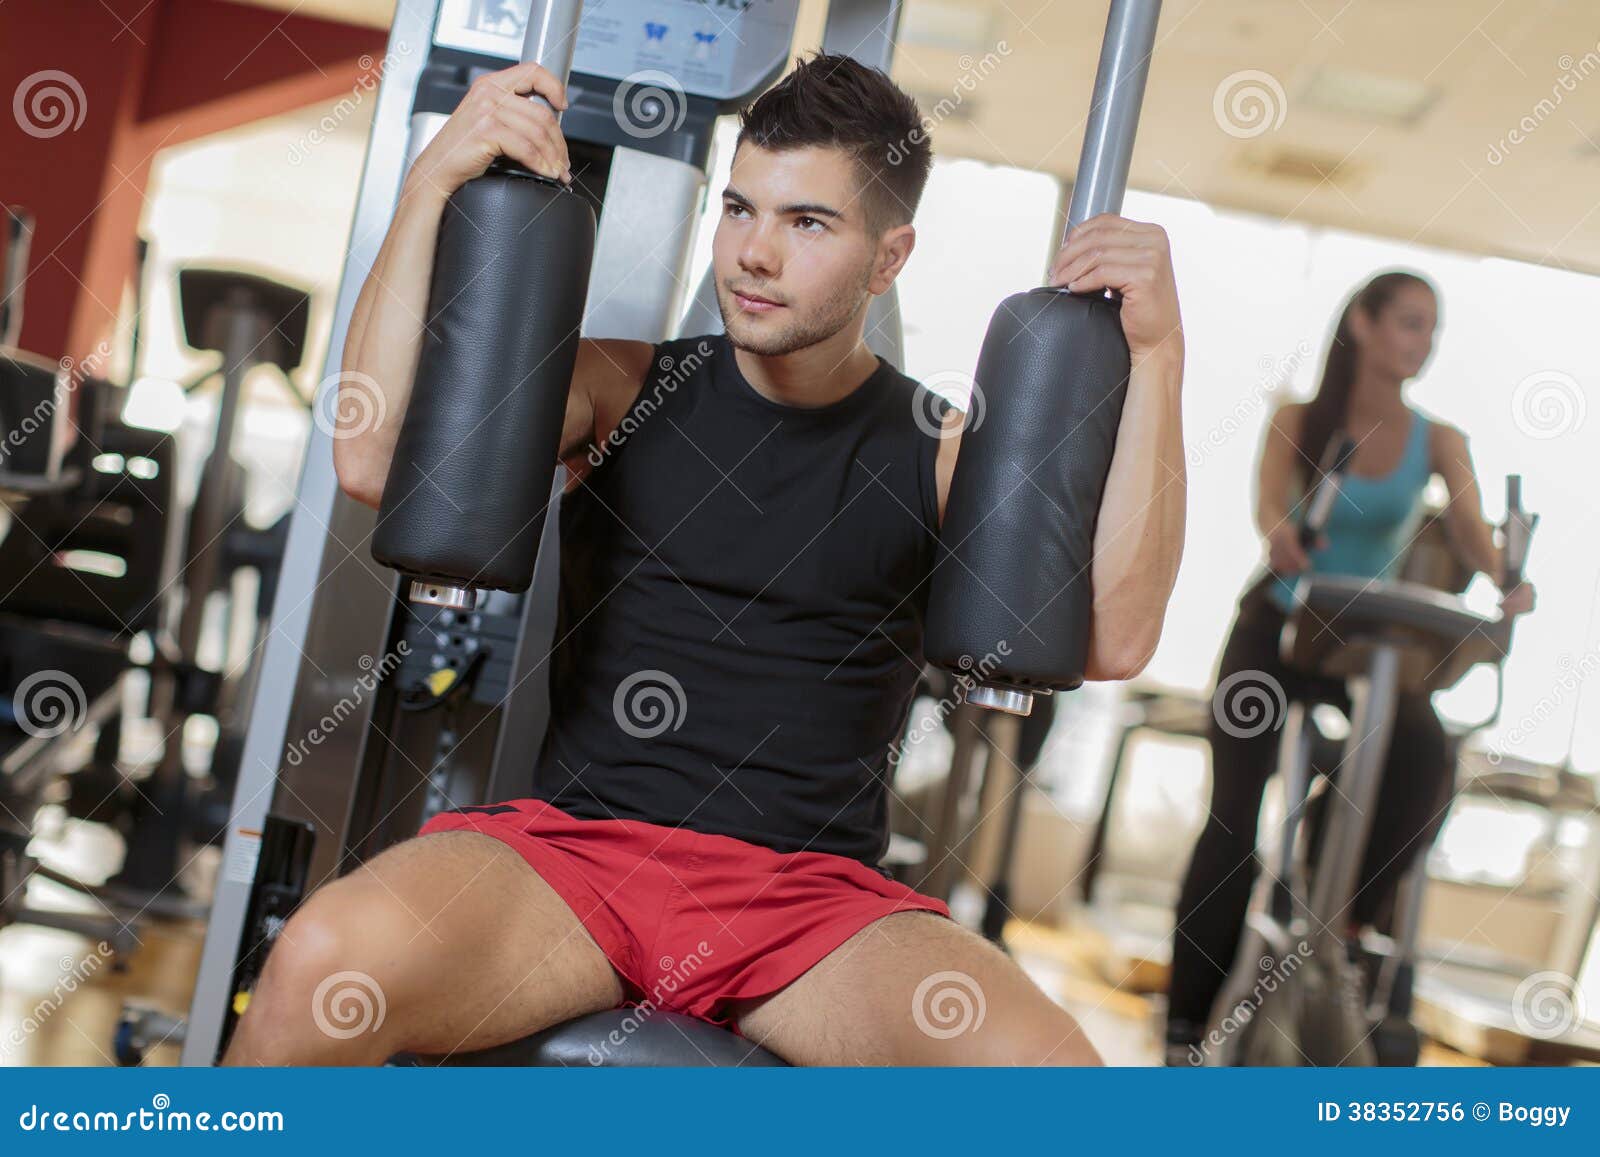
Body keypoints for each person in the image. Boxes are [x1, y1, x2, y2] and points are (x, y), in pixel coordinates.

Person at [226, 53, 1186, 1067]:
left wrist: (1158, 355)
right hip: (575, 866)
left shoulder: (944, 451)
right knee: (319, 959)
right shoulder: (617, 385)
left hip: (813, 914)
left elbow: (1115, 637)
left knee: (1054, 1081)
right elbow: (375, 455)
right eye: (739, 209)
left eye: (805, 222)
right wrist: (432, 181)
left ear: (888, 257)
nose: (752, 254)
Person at [1164, 271, 1535, 1065]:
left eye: (1430, 330)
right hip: (1278, 628)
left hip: (1360, 644)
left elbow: (1474, 537)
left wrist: (1508, 575)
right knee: (1234, 818)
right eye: (1407, 323)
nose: (1422, 343)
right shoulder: (1302, 419)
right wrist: (1282, 534)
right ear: (1362, 325)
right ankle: (1185, 1027)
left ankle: (1330, 907)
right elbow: (1270, 506)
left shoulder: (1439, 440)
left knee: (1425, 756)